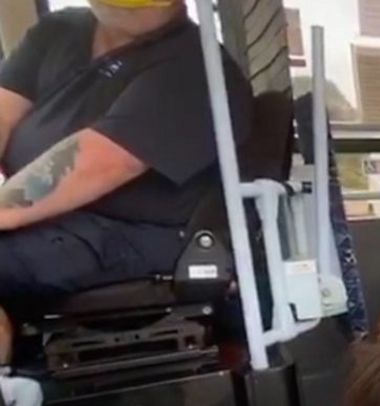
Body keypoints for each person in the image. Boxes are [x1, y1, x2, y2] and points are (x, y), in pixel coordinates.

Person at [0, 0, 253, 362]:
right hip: (58, 224)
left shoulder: (197, 68)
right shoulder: (57, 33)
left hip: (141, 234)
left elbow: (101, 161)